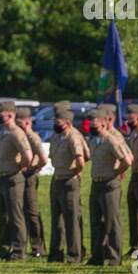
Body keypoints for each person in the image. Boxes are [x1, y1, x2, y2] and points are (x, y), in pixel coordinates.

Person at [86, 107, 133, 265]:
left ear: (104, 125)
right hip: (96, 183)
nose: (93, 129)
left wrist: (117, 172)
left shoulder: (111, 140)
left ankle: (114, 256)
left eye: (96, 127)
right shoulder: (94, 140)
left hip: (109, 184)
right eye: (91, 126)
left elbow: (127, 160)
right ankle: (97, 255)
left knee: (112, 222)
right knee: (96, 222)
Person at [47, 102, 88, 264]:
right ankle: (56, 253)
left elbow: (82, 159)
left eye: (59, 123)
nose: (56, 125)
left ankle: (74, 254)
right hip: (57, 178)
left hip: (69, 180)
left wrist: (75, 171)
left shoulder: (73, 136)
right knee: (56, 220)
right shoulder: (56, 136)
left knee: (71, 220)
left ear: (68, 123)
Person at [0, 101, 32, 260]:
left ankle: (19, 249)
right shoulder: (2, 133)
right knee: (3, 215)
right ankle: (4, 247)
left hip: (13, 178)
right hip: (1, 177)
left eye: (0, 115)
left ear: (10, 115)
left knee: (15, 215)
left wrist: (20, 167)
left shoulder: (17, 133)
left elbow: (28, 156)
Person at [16, 106, 48, 257]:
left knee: (32, 211)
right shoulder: (18, 135)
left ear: (28, 122)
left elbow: (43, 159)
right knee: (20, 211)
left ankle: (38, 246)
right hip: (19, 175)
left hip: (29, 176)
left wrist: (31, 169)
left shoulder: (32, 137)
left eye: (21, 122)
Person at [122, 104, 138, 255]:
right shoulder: (133, 135)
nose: (128, 121)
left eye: (131, 118)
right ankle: (135, 243)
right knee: (133, 210)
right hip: (134, 174)